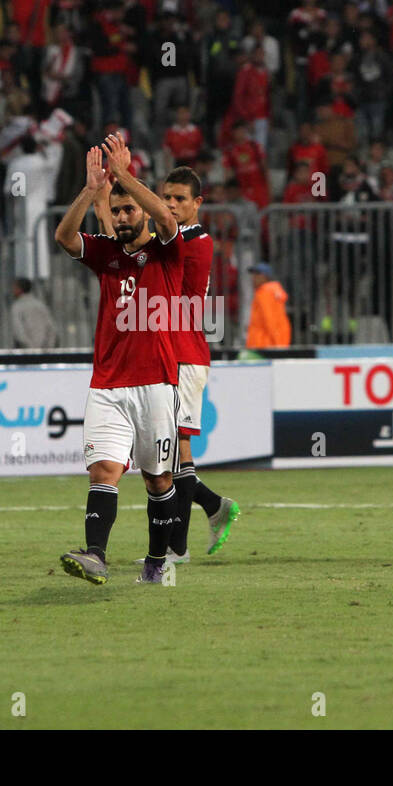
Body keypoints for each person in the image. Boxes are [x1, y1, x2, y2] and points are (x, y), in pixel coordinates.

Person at [54, 136, 185, 586]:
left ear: (142, 212)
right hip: (108, 385)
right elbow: (64, 237)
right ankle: (95, 555)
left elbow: (168, 217)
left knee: (157, 481)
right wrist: (92, 190)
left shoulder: (167, 251)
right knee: (104, 470)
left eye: (131, 209)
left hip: (156, 384)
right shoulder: (106, 255)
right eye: (119, 209)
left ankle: (155, 561)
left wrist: (125, 176)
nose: (125, 216)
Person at [147, 166, 240, 565]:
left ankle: (177, 549)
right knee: (168, 454)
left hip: (186, 354)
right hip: (170, 354)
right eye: (166, 197)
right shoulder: (171, 238)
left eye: (179, 199)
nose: (170, 205)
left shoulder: (197, 241)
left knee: (178, 449)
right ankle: (213, 507)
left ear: (197, 204)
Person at [246, 262, 291, 348]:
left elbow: (269, 319)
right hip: (274, 343)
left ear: (265, 277)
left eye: (257, 274)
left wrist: (277, 345)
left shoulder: (264, 293)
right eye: (253, 275)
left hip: (262, 344)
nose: (253, 278)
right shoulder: (274, 291)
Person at [10, 277, 58, 348]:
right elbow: (51, 328)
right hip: (44, 351)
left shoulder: (17, 307)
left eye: (14, 288)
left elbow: (19, 331)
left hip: (26, 352)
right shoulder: (40, 305)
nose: (13, 290)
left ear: (19, 289)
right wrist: (49, 347)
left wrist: (30, 347)